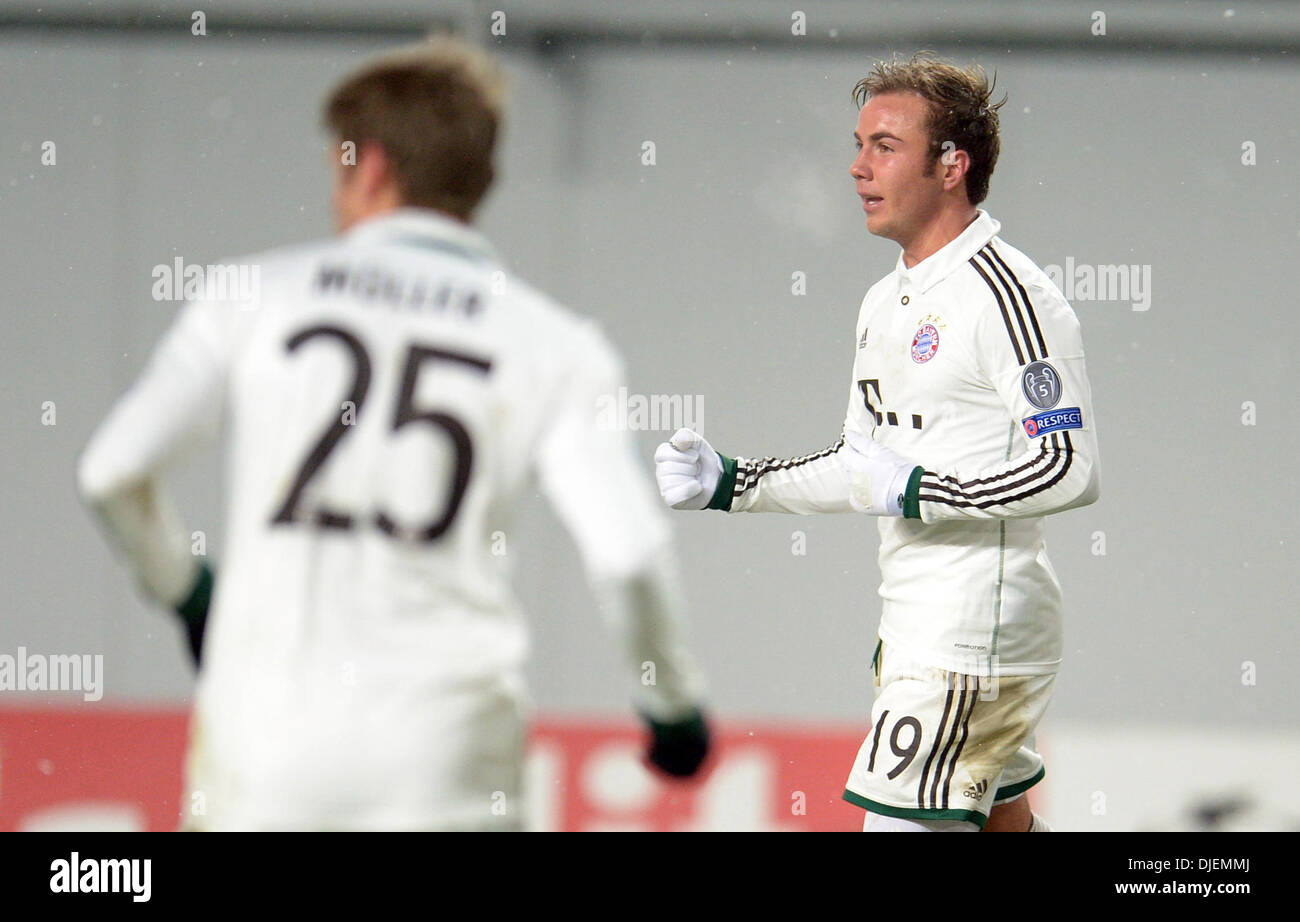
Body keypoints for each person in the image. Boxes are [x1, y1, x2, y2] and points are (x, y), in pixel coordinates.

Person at [77, 37, 709, 831]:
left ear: (368, 166)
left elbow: (110, 472)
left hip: (264, 742)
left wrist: (190, 593)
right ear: (477, 179)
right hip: (443, 752)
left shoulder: (253, 299)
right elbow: (628, 553)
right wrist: (670, 703)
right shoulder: (555, 346)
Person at [654, 52, 1099, 832]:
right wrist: (732, 481)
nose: (857, 167)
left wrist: (925, 493)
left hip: (971, 638)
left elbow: (1069, 467)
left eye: (884, 147)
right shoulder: (884, 300)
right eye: (858, 145)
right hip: (916, 625)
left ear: (952, 164)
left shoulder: (1008, 295)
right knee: (1004, 823)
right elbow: (866, 468)